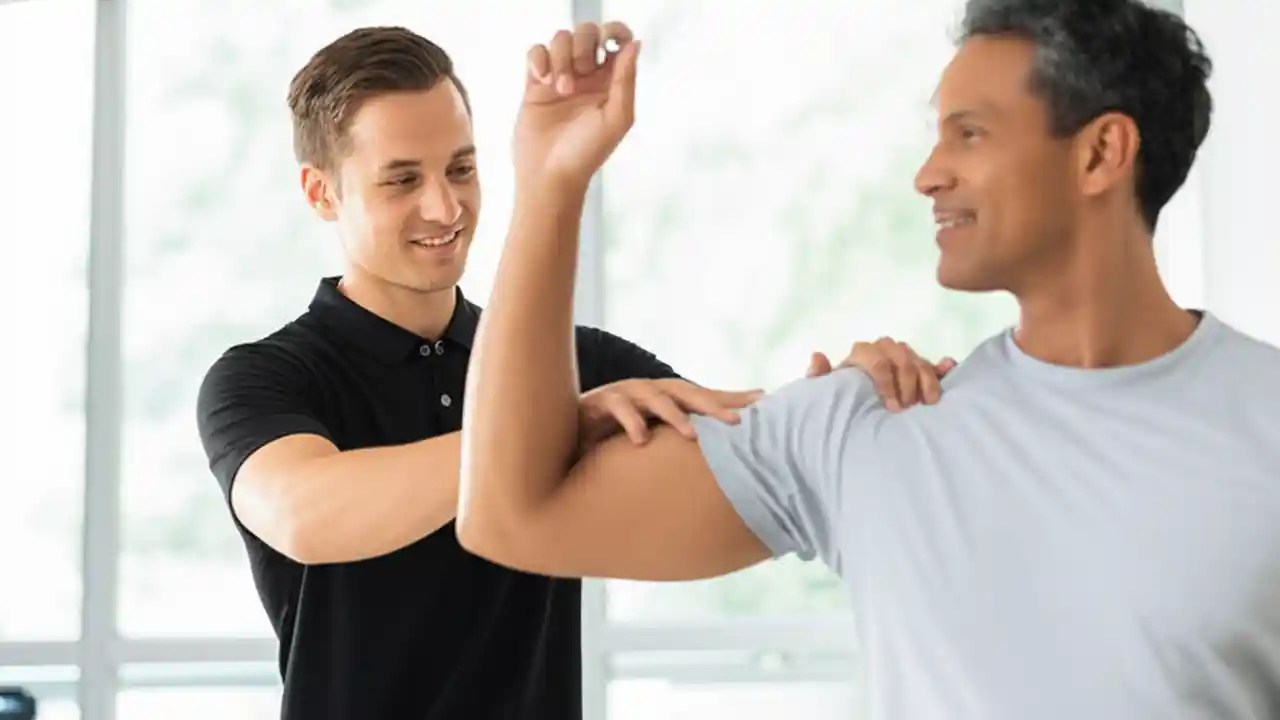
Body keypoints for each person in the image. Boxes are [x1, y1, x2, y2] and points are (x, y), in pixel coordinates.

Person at [458, 3, 1280, 718]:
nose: (929, 174)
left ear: (1101, 153)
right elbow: (511, 516)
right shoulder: (866, 428)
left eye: (971, 132)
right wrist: (550, 188)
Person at [195, 25, 945, 720]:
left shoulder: (580, 364)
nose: (445, 205)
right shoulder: (262, 378)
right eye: (401, 181)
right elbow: (305, 515)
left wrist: (852, 391)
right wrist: (553, 423)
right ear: (322, 193)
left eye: (462, 168)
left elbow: (747, 443)